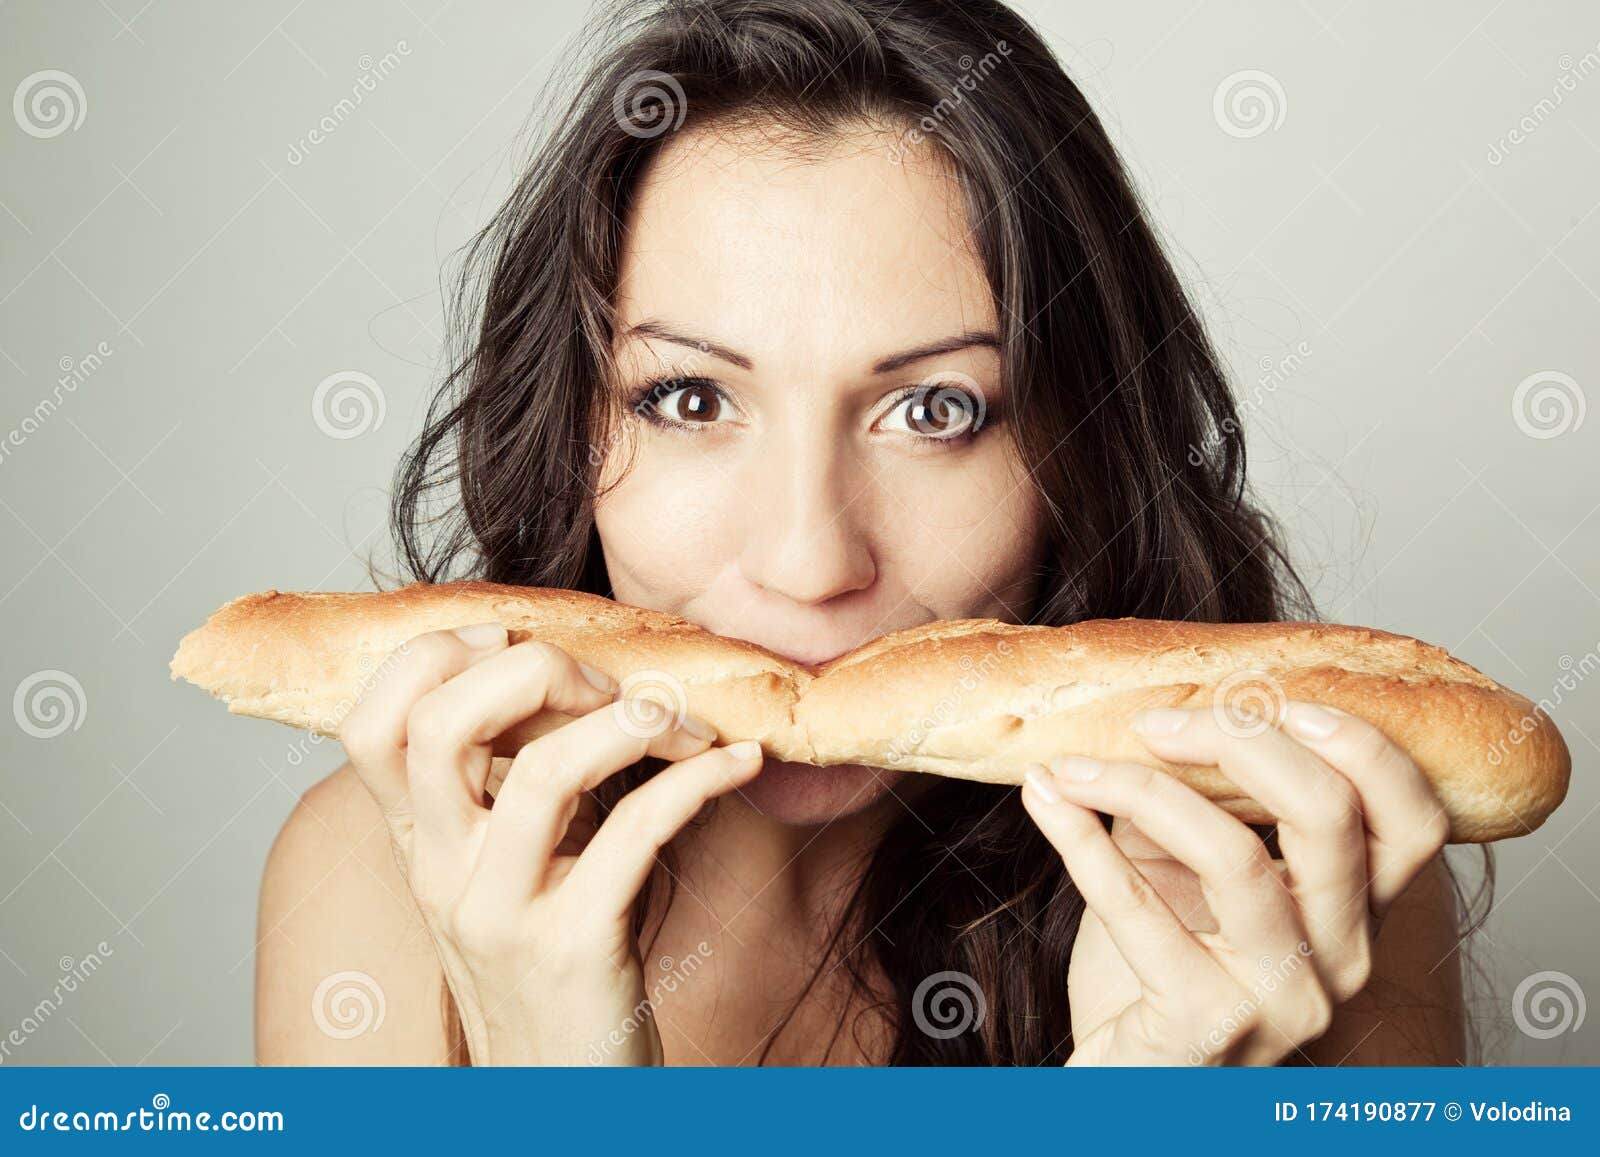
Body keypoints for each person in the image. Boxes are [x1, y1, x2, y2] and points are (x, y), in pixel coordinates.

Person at [256, 0, 1482, 1066]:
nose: (809, 558)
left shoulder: (1309, 865)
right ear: (570, 430)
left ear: (1081, 444)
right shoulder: (377, 879)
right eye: (690, 399)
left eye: (935, 410)